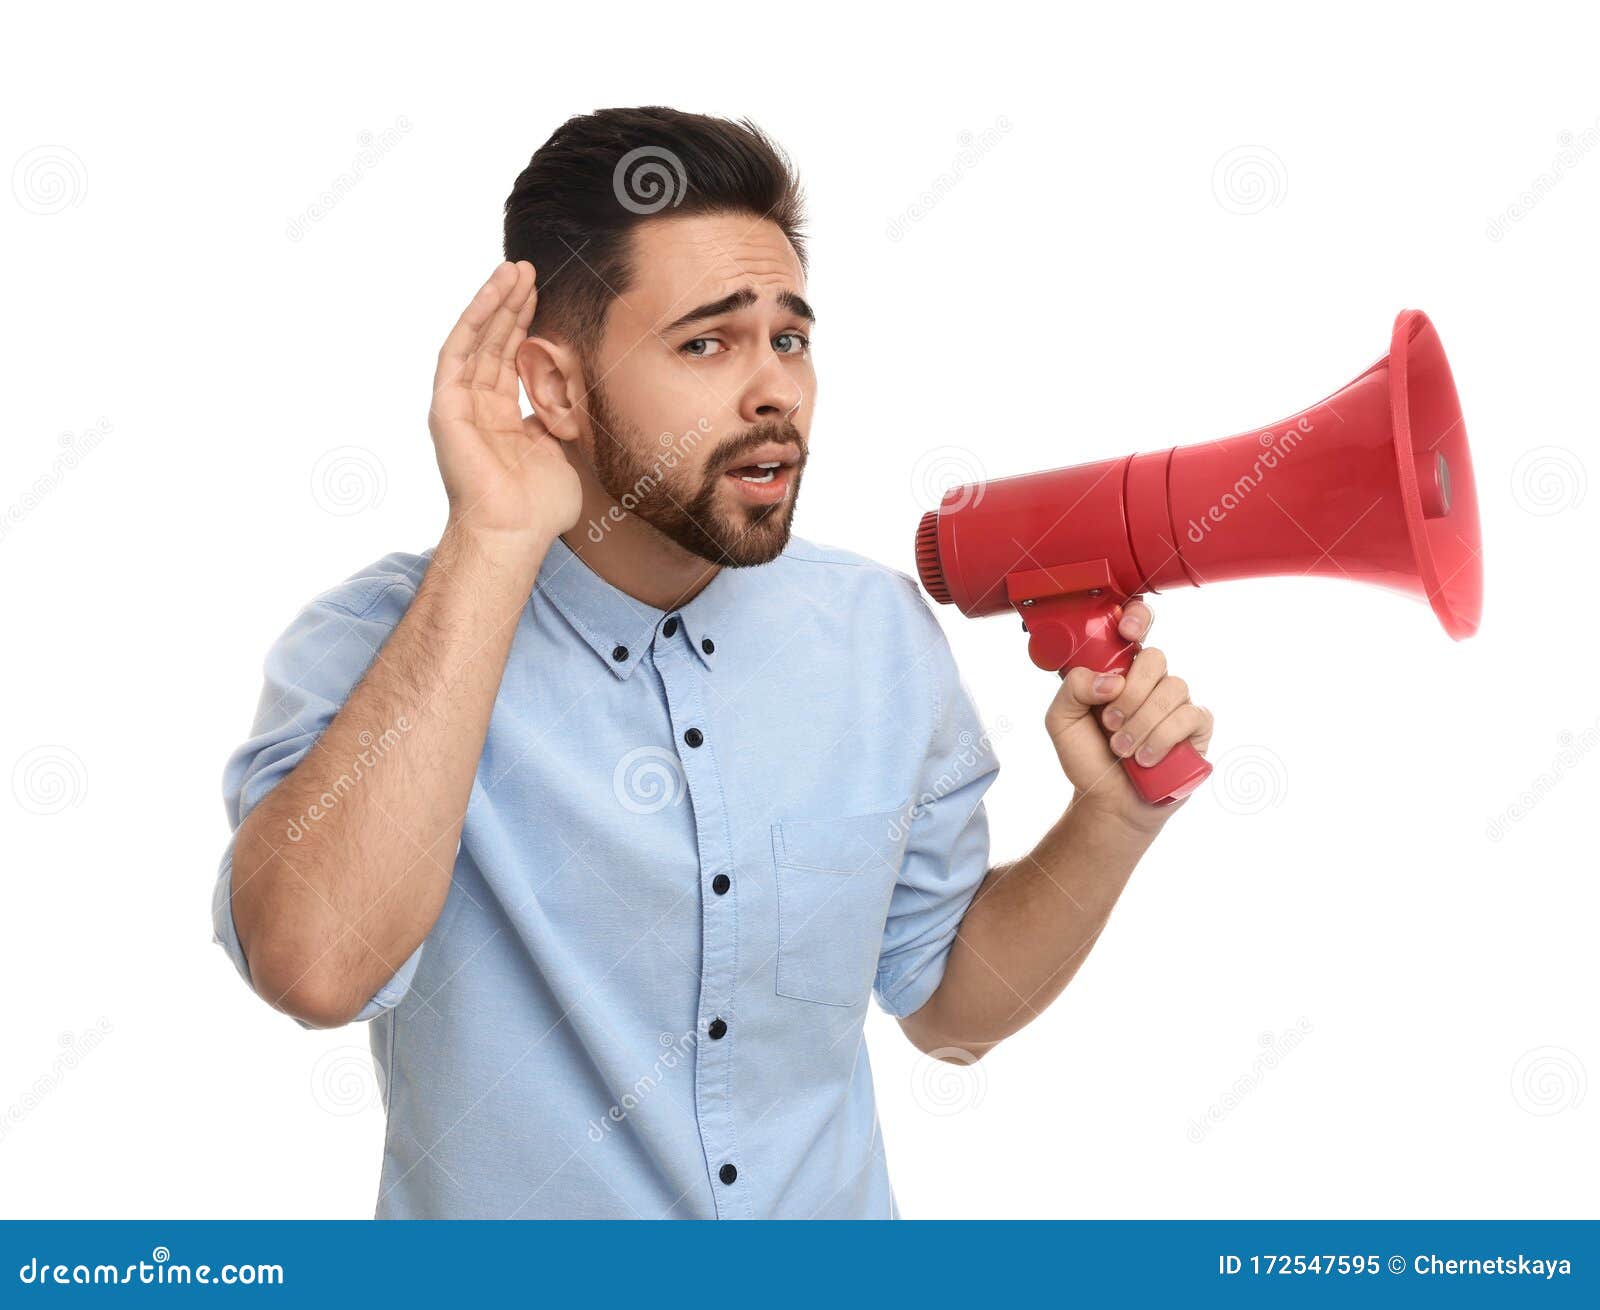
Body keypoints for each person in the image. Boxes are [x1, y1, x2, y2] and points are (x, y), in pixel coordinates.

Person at [211, 106, 1213, 1219]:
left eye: (790, 338)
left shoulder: (876, 634)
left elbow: (945, 1008)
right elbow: (314, 968)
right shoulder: (379, 642)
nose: (775, 389)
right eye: (707, 343)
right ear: (556, 387)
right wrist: (493, 540)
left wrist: (1113, 820)